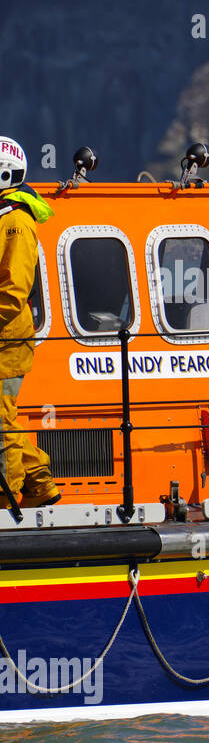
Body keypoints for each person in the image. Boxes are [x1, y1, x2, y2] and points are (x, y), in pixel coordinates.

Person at [0, 135, 59, 507]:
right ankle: (40, 483)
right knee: (5, 416)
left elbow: (13, 290)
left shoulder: (16, 223)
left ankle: (5, 496)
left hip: (6, 338)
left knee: (0, 420)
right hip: (6, 336)